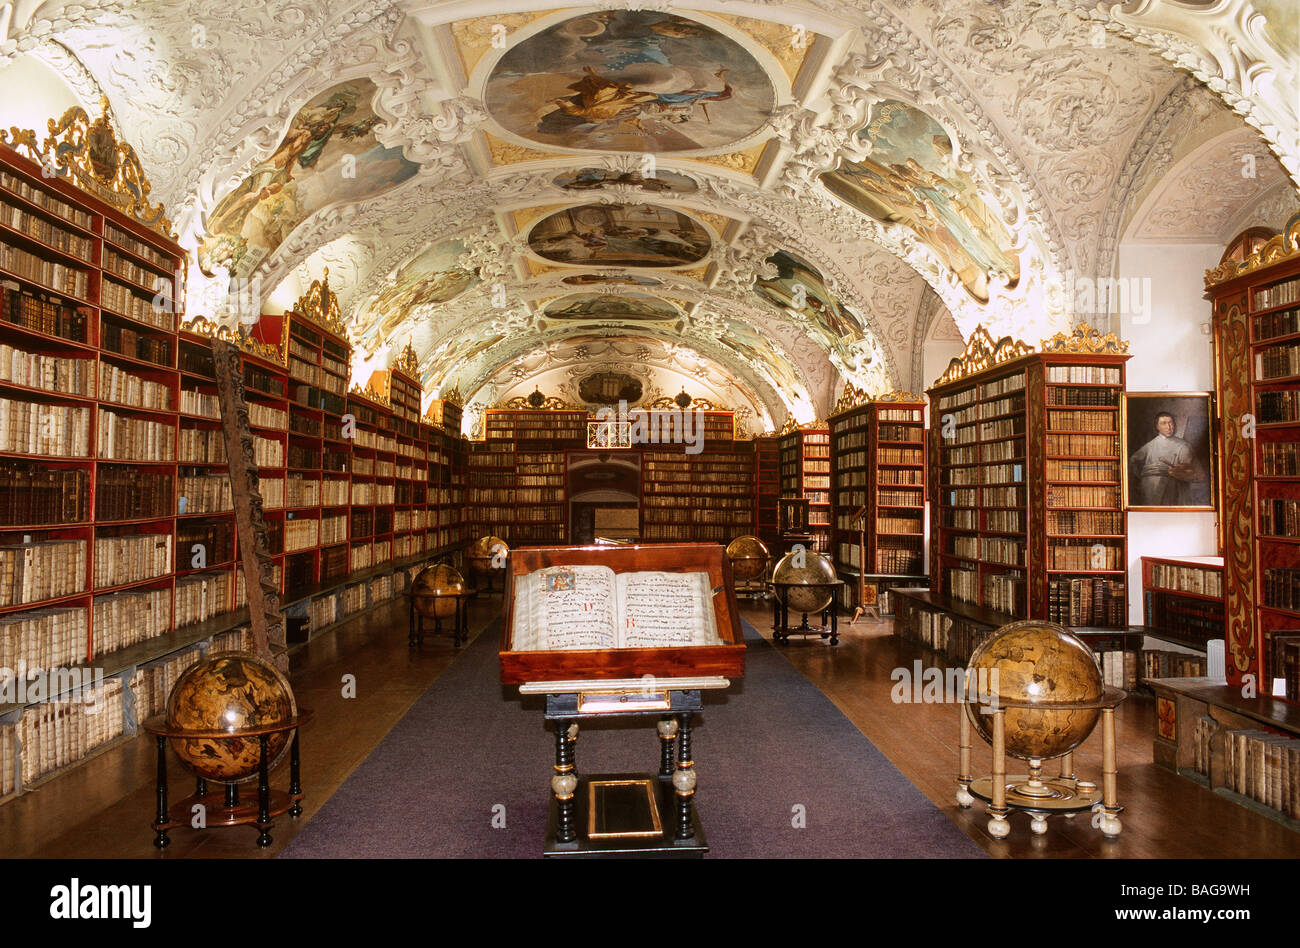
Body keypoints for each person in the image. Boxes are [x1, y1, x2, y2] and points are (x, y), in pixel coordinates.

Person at [1128, 411, 1209, 506]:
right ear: (1157, 427)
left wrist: (1180, 471)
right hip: (1149, 488)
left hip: (1173, 487)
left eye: (1171, 423)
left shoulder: (1184, 445)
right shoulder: (1150, 445)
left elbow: (1195, 472)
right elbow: (1133, 461)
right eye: (1164, 423)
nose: (1169, 427)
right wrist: (1142, 475)